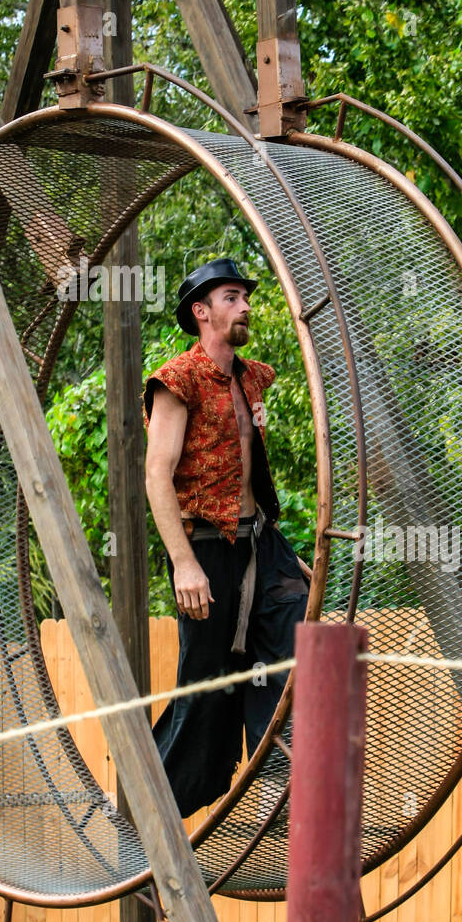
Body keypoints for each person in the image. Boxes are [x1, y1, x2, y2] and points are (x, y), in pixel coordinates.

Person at [144, 258, 311, 819]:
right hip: (206, 547)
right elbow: (155, 476)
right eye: (232, 297)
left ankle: (279, 789)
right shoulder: (178, 380)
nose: (244, 306)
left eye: (245, 297)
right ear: (202, 311)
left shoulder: (253, 377)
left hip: (259, 541)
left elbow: (251, 473)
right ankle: (159, 811)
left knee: (291, 646)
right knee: (206, 685)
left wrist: (286, 557)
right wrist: (184, 564)